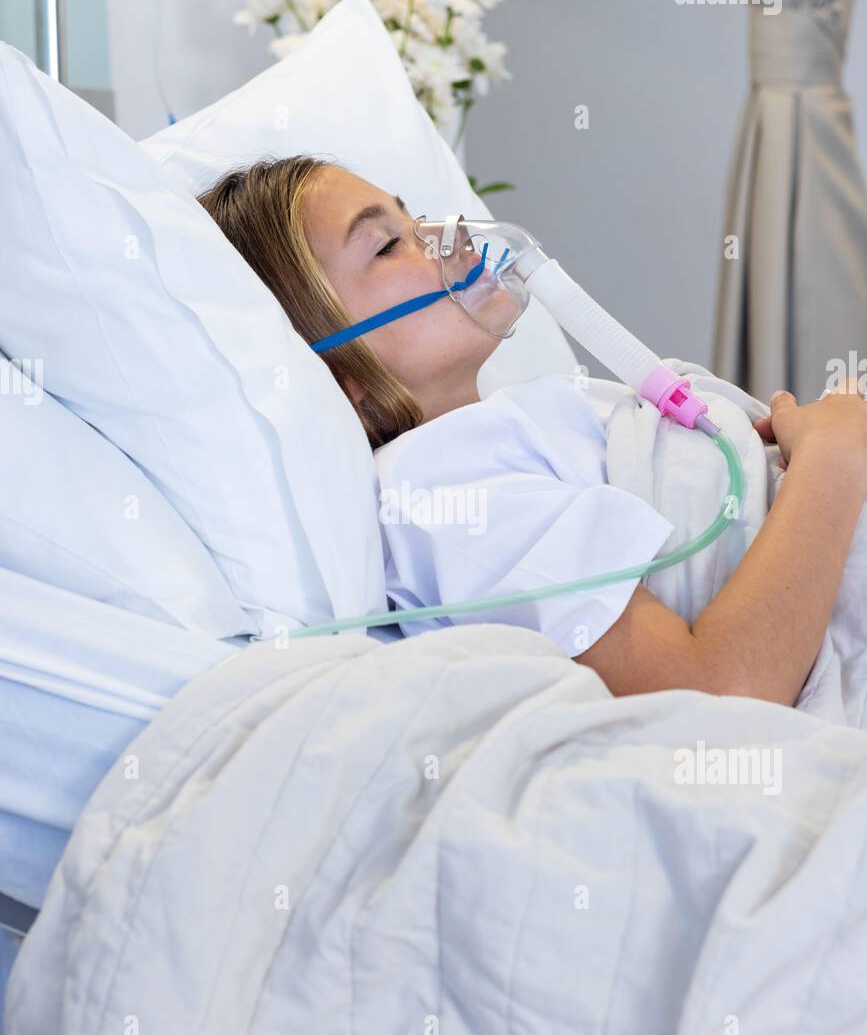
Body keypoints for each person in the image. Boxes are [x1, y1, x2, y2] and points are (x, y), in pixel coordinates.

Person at [198, 155, 867, 707]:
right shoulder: (435, 491)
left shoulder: (524, 421)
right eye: (389, 242)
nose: (448, 234)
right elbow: (720, 691)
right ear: (331, 370)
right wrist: (833, 460)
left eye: (413, 215)